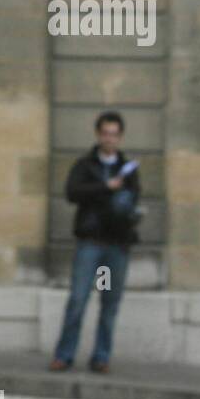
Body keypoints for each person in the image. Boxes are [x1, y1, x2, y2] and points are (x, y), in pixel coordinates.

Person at [50, 111, 142, 374]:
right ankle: (64, 355)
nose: (109, 138)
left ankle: (101, 357)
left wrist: (118, 195)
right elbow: (72, 192)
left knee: (109, 304)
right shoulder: (85, 165)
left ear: (120, 137)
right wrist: (106, 188)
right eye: (105, 133)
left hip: (116, 245)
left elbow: (133, 197)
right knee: (78, 300)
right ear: (98, 135)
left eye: (114, 134)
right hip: (90, 243)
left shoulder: (129, 169)